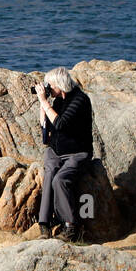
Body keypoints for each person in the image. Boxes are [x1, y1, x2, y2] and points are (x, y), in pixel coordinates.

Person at [36, 66, 94, 241]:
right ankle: (44, 224)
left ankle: (70, 227)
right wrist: (42, 107)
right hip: (56, 151)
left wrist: (45, 103)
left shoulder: (79, 100)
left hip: (78, 153)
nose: (48, 89)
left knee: (60, 180)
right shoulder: (59, 100)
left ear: (60, 85)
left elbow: (61, 124)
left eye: (50, 85)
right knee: (50, 173)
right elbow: (48, 133)